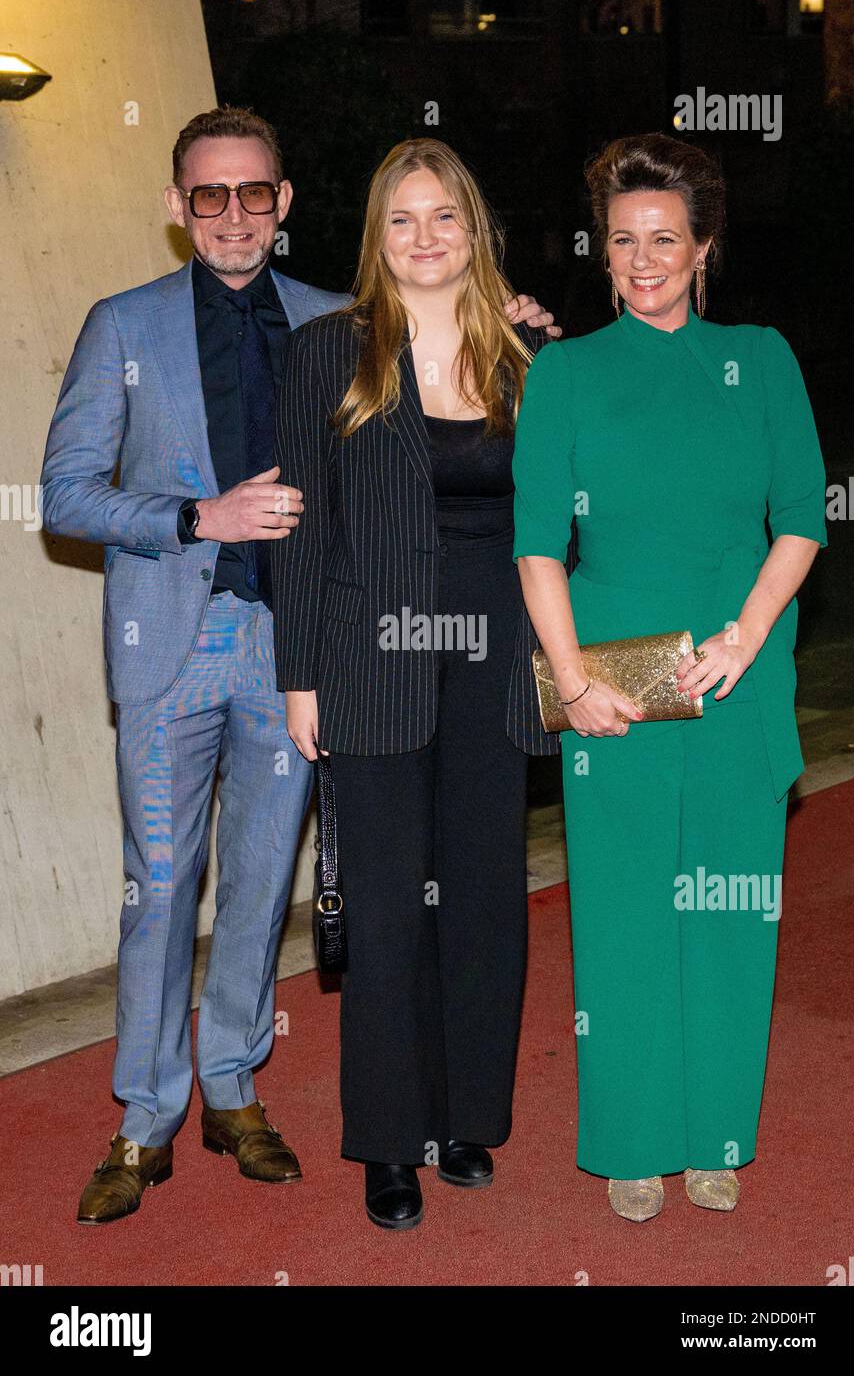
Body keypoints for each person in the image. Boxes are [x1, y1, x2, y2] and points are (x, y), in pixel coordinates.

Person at [40, 105, 555, 1225]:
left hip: (329, 646)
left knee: (274, 887)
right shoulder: (123, 325)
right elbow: (64, 493)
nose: (233, 213)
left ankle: (236, 1090)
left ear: (284, 204)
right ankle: (144, 1117)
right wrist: (197, 516)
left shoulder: (341, 316)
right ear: (179, 207)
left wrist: (522, 322)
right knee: (165, 887)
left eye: (254, 193)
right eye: (209, 195)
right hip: (200, 641)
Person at [512, 132, 826, 1222]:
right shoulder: (564, 373)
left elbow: (798, 520)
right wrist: (568, 681)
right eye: (620, 242)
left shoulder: (761, 360)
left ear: (701, 251)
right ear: (599, 256)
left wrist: (742, 637)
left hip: (737, 682)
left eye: (663, 240)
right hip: (614, 694)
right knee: (625, 918)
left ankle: (716, 1136)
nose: (641, 260)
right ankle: (633, 1138)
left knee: (732, 917)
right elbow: (538, 544)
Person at [272, 138, 563, 1230]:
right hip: (370, 659)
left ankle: (462, 1121)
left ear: (473, 230)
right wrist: (298, 675)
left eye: (444, 216)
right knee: (389, 909)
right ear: (375, 236)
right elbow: (297, 533)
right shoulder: (325, 354)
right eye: (403, 218)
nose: (425, 236)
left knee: (483, 898)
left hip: (497, 659)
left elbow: (565, 512)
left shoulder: (531, 352)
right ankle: (388, 1142)